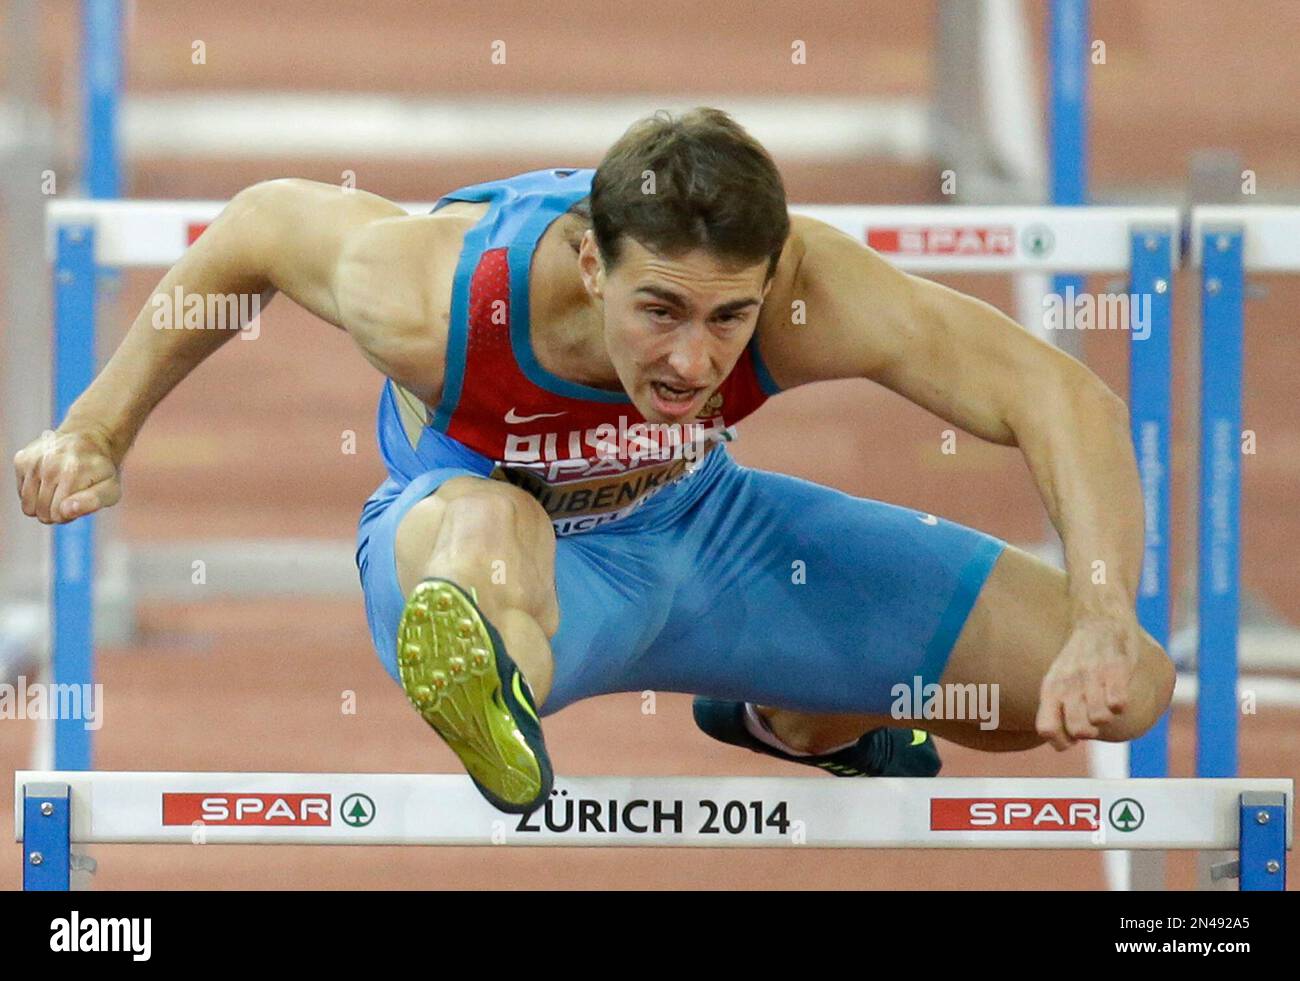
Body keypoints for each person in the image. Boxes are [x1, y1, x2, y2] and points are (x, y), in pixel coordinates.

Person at [14, 108, 1174, 815]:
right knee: (487, 528)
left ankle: (796, 715)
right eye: (659, 309)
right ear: (586, 258)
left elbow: (1054, 392)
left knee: (1130, 692)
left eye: (728, 320)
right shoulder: (432, 292)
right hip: (500, 555)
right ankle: (493, 698)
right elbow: (255, 228)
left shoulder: (809, 289)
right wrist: (97, 430)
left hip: (714, 537)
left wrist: (1103, 612)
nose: (690, 360)